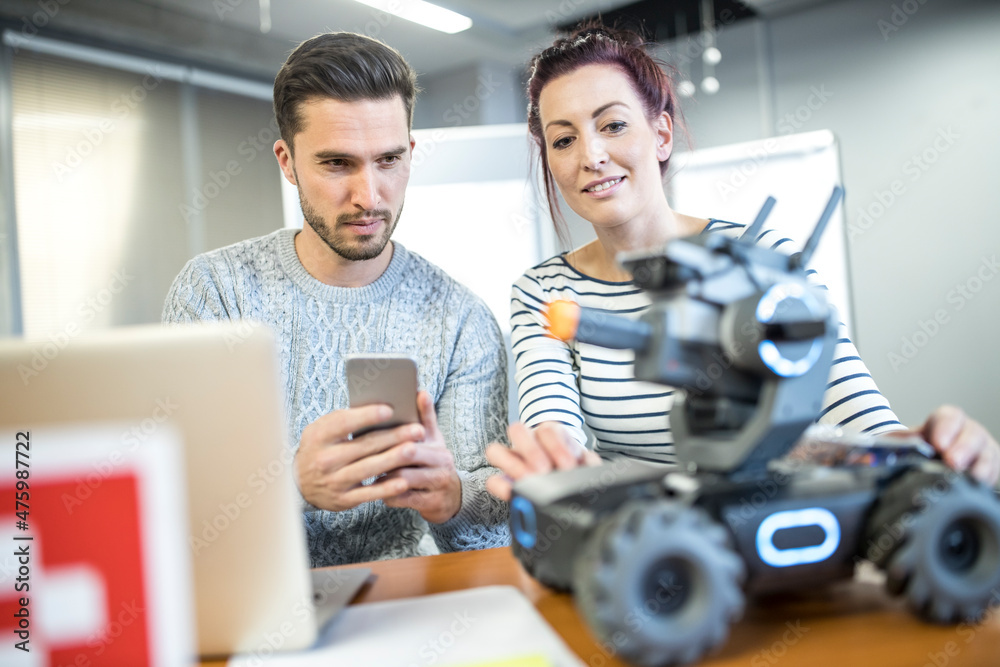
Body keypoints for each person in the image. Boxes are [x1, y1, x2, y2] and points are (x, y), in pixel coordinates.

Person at [486, 24, 1000, 499]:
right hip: (642, 533)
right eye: (564, 139)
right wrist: (555, 461)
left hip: (772, 522)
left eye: (613, 125)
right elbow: (552, 427)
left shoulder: (764, 260)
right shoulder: (542, 293)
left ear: (661, 135)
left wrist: (932, 451)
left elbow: (856, 415)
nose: (590, 155)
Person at [163, 32, 510, 566]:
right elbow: (175, 500)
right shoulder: (216, 292)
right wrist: (293, 482)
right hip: (250, 604)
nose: (369, 196)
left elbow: (484, 548)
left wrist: (455, 499)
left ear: (411, 154)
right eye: (337, 164)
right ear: (287, 160)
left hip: (401, 606)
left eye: (389, 159)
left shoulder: (461, 319)